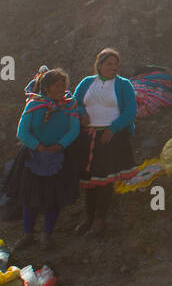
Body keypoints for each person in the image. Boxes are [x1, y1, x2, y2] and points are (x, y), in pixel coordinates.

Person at [4, 67, 81, 253]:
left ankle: (47, 235)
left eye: (63, 85)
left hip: (59, 157)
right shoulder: (33, 105)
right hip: (33, 156)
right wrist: (39, 147)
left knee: (54, 199)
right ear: (46, 88)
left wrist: (59, 145)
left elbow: (74, 129)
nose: (62, 88)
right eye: (57, 85)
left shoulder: (69, 105)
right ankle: (28, 234)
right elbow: (22, 132)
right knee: (29, 198)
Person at [72, 49, 137, 238]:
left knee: (104, 180)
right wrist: (82, 113)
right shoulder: (86, 82)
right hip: (88, 137)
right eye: (109, 63)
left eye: (116, 64)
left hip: (111, 137)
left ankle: (100, 219)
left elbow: (130, 111)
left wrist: (113, 128)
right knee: (89, 180)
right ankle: (88, 216)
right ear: (99, 65)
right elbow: (75, 101)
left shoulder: (123, 85)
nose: (113, 67)